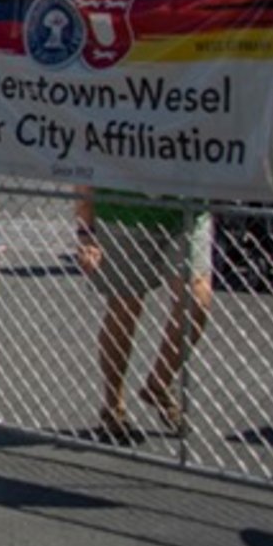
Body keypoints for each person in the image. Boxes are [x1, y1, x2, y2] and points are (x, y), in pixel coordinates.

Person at [75, 186, 213, 441]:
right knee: (125, 305)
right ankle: (113, 404)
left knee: (198, 299)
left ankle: (158, 384)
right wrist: (86, 230)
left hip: (186, 210)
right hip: (123, 212)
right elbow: (84, 158)